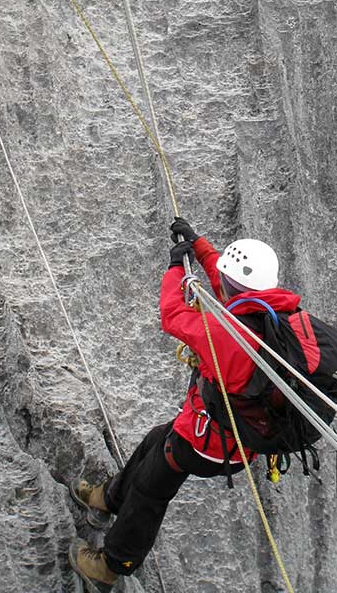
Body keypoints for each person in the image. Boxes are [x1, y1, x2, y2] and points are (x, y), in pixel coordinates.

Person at [67, 218, 303, 592]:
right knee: (154, 440)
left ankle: (111, 565)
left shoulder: (226, 335)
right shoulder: (275, 315)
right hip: (236, 436)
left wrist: (176, 268)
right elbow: (230, 287)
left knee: (150, 490)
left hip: (207, 444)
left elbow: (173, 315)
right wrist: (200, 246)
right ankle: (106, 499)